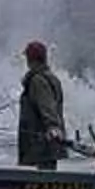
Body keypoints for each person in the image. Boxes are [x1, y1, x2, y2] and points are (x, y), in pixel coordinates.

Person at [18, 40, 66, 169]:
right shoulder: (51, 78)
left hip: (42, 140)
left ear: (30, 59)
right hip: (47, 141)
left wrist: (52, 127)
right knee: (48, 176)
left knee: (44, 181)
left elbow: (47, 105)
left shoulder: (37, 80)